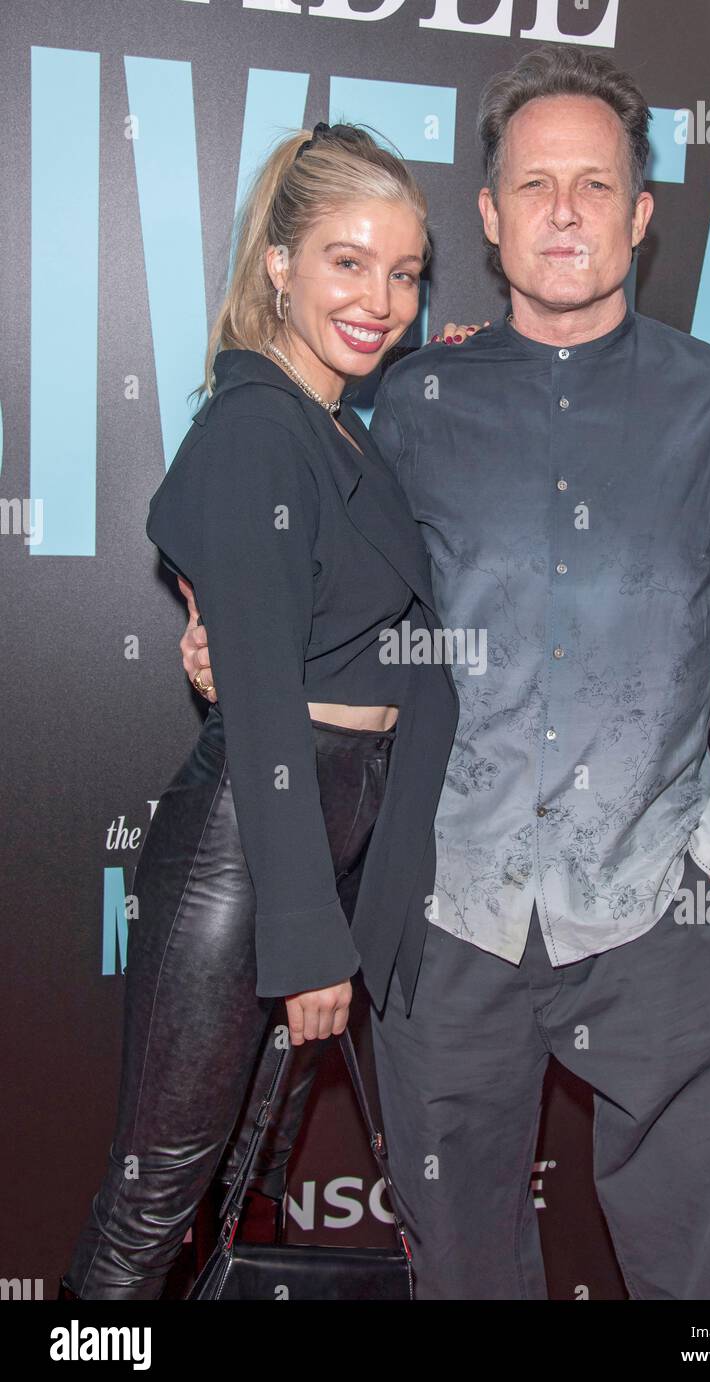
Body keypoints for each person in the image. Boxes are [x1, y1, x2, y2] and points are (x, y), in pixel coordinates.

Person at [180, 47, 710, 1300]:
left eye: (595, 185)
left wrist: (708, 868)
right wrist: (225, 629)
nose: (564, 212)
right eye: (534, 185)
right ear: (487, 216)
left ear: (641, 215)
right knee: (466, 1275)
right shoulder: (411, 406)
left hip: (658, 912)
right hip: (447, 918)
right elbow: (325, 594)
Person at [59, 122, 458, 1299]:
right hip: (252, 849)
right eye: (347, 262)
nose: (380, 299)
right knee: (154, 1194)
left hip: (326, 840)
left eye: (401, 273)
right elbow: (274, 717)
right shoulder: (253, 429)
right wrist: (302, 933)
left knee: (235, 1170)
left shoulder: (333, 425)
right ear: (277, 262)